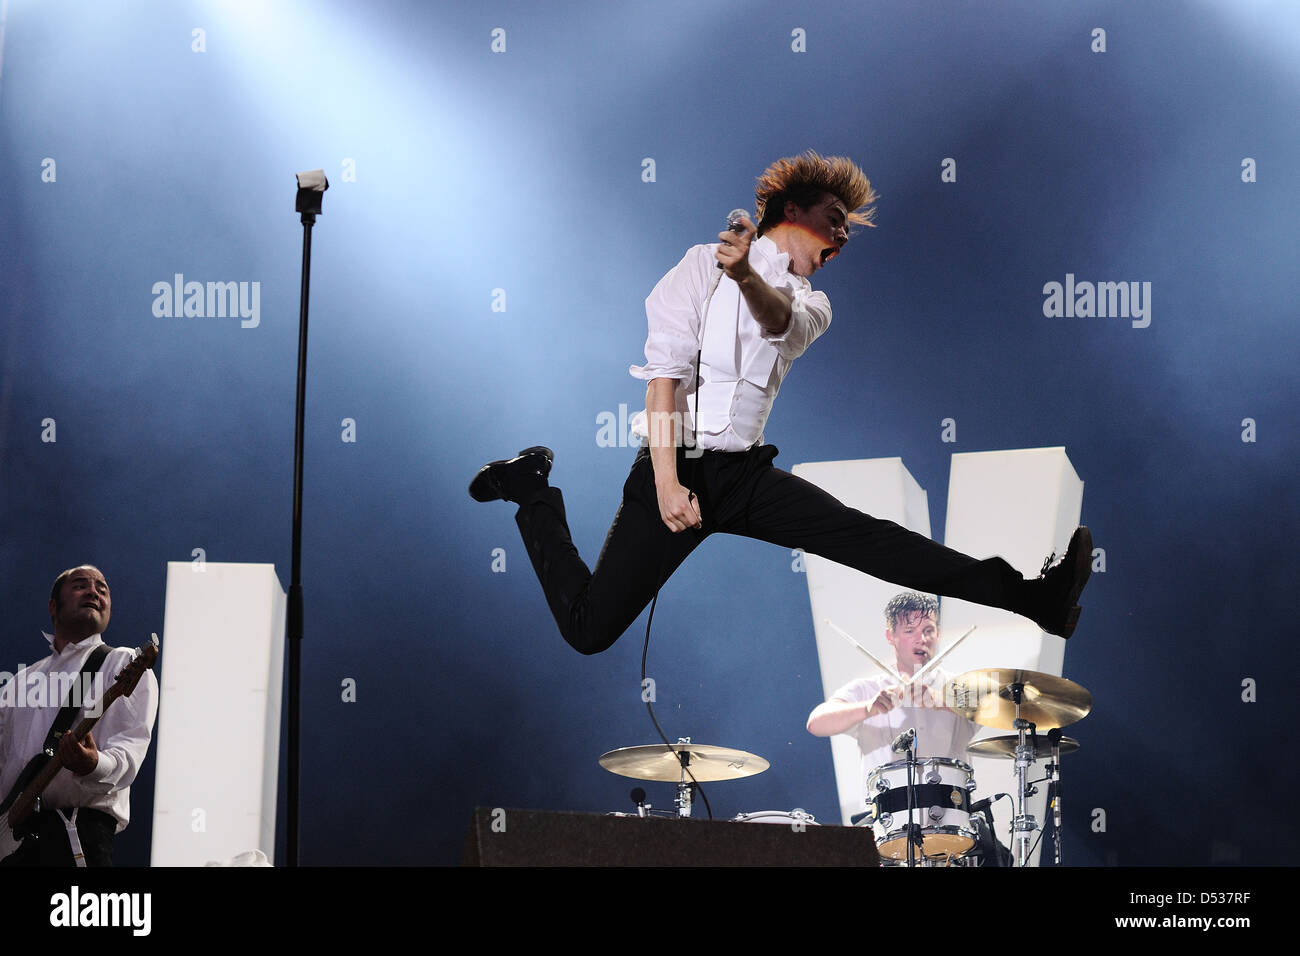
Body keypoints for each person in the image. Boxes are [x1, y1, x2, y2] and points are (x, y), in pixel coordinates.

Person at [469, 151, 1092, 656]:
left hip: (742, 476)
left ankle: (1039, 599)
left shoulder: (812, 303)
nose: (843, 234)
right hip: (676, 462)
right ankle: (531, 491)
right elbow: (664, 379)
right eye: (834, 217)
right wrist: (664, 483)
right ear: (791, 210)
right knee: (588, 631)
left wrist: (746, 276)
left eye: (847, 225)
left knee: (874, 541)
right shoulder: (699, 267)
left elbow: (777, 322)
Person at [0, 565, 159, 866]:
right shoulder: (20, 681)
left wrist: (94, 764)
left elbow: (130, 745)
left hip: (75, 833)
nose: (94, 591)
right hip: (10, 843)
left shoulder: (120, 665)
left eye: (102, 588)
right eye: (80, 585)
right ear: (53, 606)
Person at [806, 592, 974, 775]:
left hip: (952, 802)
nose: (922, 639)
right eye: (910, 631)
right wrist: (869, 708)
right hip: (886, 802)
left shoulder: (959, 686)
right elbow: (816, 723)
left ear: (938, 634)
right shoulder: (867, 689)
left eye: (928, 630)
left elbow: (1001, 708)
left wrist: (942, 700)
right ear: (890, 636)